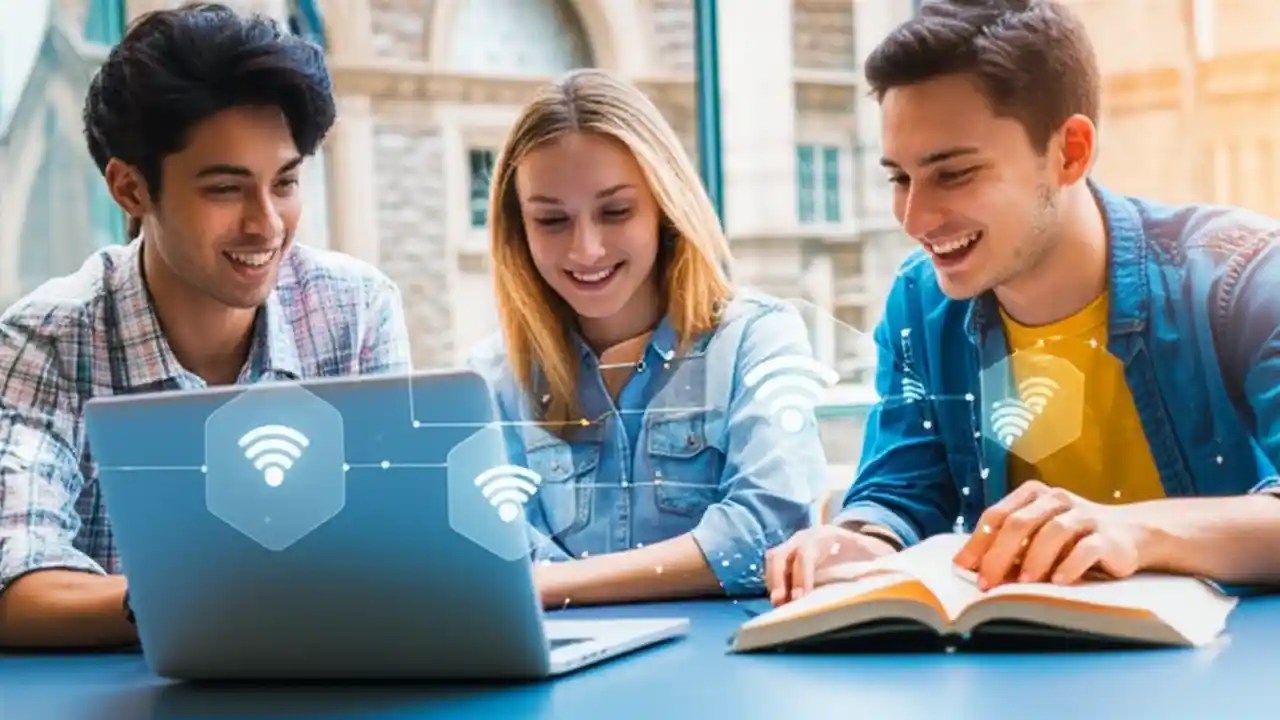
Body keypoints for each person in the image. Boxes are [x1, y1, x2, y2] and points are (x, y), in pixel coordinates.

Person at [765, 0, 1280, 605]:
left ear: (1070, 153)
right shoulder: (920, 302)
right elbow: (901, 492)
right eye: (899, 178)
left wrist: (1135, 532)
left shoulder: (1241, 278)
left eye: (954, 174)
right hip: (1022, 653)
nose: (914, 219)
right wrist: (857, 540)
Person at [0, 4, 411, 648]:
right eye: (225, 189)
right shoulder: (46, 341)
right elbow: (18, 591)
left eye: (285, 183)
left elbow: (403, 554)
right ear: (131, 190)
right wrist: (227, 596)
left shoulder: (355, 310)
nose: (266, 224)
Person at [468, 68, 828, 607]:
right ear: (519, 228)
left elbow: (768, 530)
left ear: (665, 206)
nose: (586, 249)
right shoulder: (494, 378)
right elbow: (495, 557)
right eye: (551, 221)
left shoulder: (756, 337)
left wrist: (553, 584)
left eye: (616, 211)